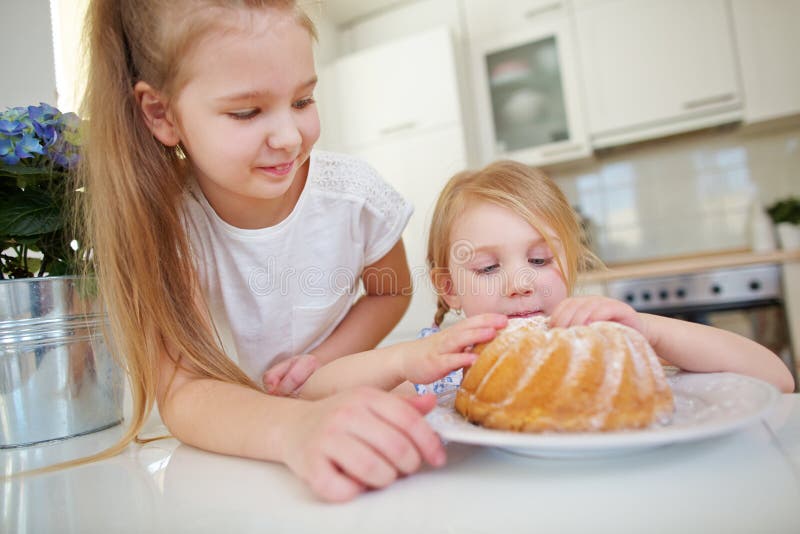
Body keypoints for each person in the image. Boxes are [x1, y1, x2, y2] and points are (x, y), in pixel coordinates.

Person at [75, 0, 507, 502]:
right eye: (247, 112)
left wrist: (319, 363)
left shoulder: (354, 196)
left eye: (303, 101)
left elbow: (390, 292)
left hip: (339, 422)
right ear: (161, 114)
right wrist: (296, 426)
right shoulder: (170, 226)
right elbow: (184, 394)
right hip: (231, 459)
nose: (288, 137)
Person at [305, 160, 793, 396]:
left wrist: (649, 330)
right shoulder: (443, 356)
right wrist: (407, 359)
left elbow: (776, 378)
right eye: (488, 267)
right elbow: (315, 392)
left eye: (540, 260)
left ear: (572, 264)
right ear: (449, 286)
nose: (520, 283)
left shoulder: (600, 340)